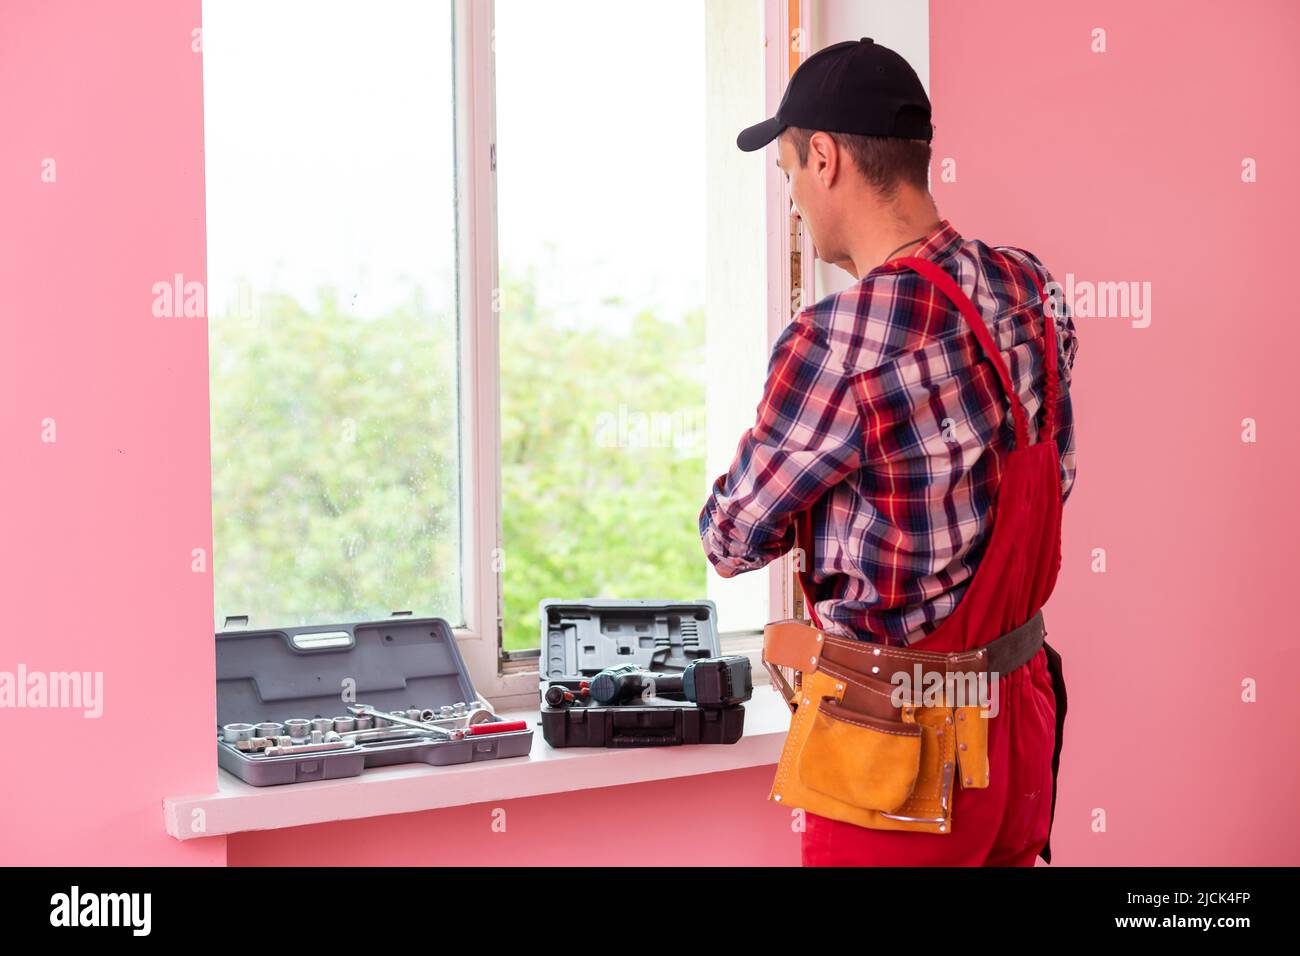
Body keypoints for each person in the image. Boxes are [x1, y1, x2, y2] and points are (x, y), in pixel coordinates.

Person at [699, 38, 1078, 866]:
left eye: (791, 173)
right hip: (1018, 725)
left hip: (897, 757)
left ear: (826, 159)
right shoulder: (1029, 289)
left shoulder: (835, 340)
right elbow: (1044, 476)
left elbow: (731, 538)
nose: (794, 201)